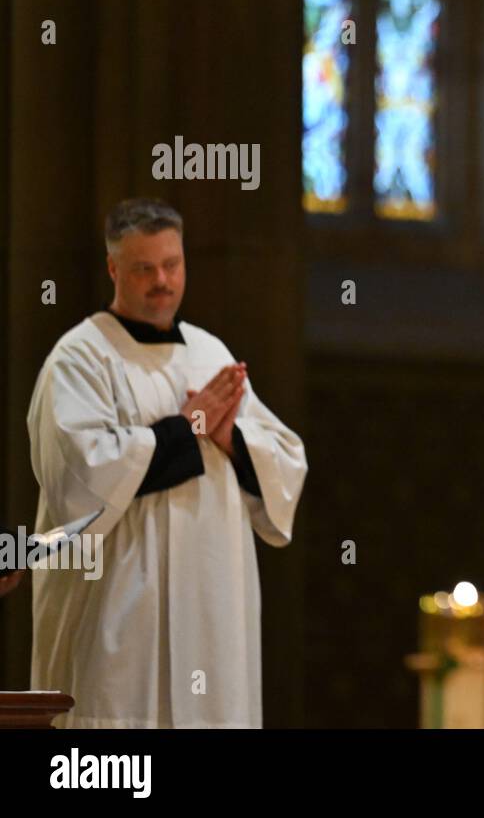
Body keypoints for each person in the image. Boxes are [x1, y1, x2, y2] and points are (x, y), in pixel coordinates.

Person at [27, 197, 307, 727]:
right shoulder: (80, 359)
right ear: (113, 269)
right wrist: (186, 429)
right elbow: (78, 481)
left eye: (172, 265)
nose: (162, 281)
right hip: (119, 612)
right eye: (144, 268)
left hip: (210, 609)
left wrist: (233, 441)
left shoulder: (211, 355)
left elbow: (286, 462)